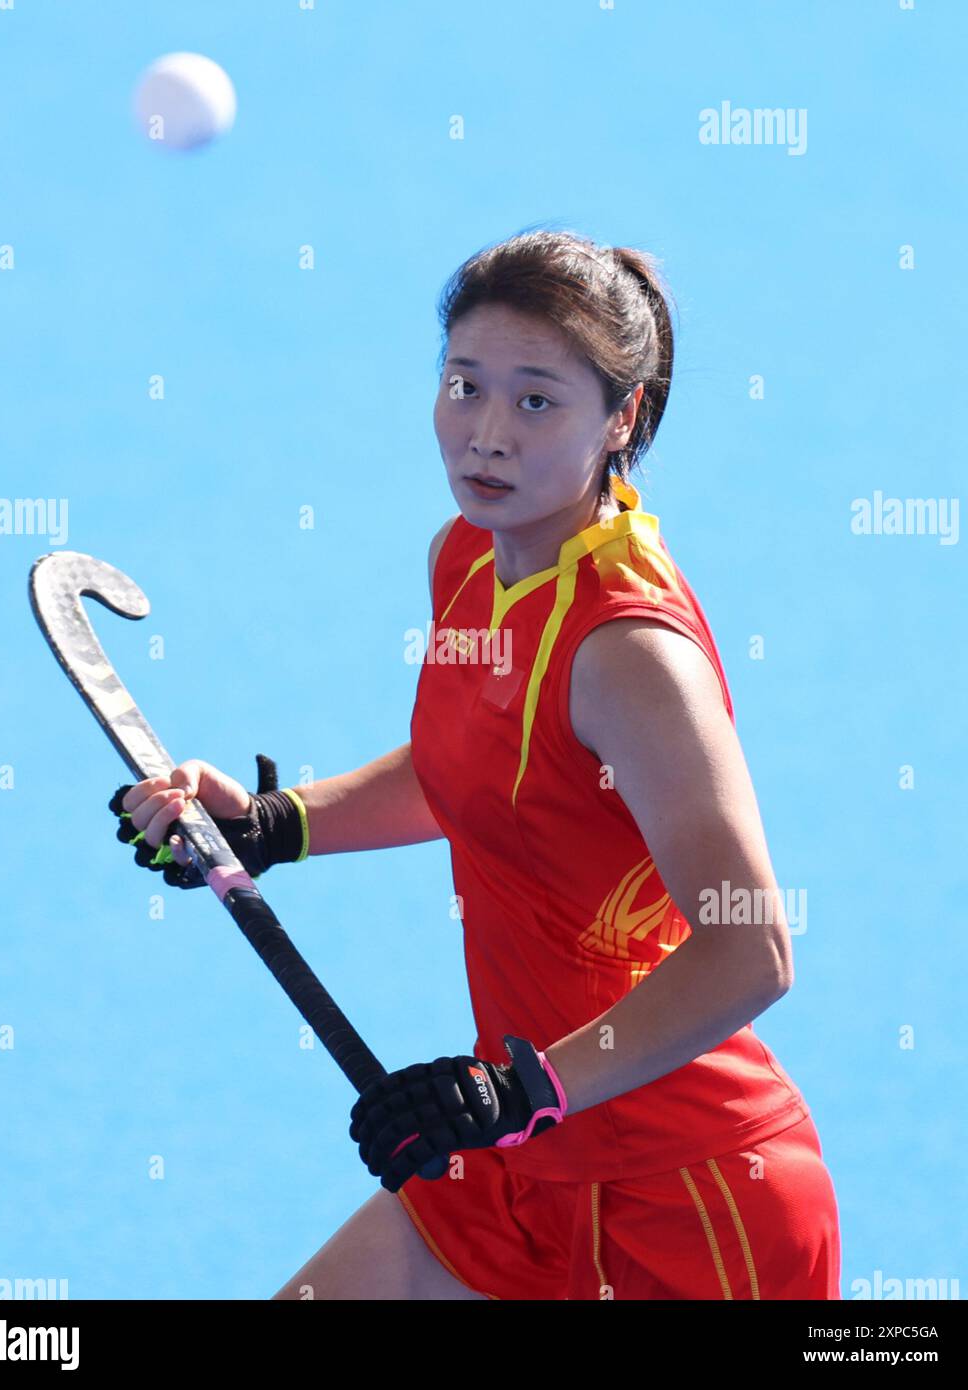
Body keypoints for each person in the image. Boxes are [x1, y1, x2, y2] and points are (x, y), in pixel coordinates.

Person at [113, 229, 842, 1301]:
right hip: (523, 1158)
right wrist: (279, 823)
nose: (486, 435)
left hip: (690, 1199)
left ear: (621, 418)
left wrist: (517, 1091)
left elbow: (752, 952)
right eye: (464, 387)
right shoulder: (466, 559)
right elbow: (486, 766)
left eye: (537, 400)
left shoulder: (629, 656)